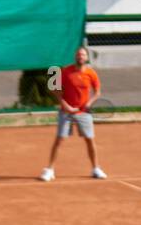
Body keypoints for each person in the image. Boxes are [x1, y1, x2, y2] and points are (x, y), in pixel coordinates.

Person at [39, 45, 107, 182]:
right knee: (59, 140)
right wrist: (65, 106)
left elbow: (98, 92)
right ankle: (49, 170)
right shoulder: (65, 71)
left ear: (86, 58)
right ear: (75, 57)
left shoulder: (91, 73)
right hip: (66, 112)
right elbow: (54, 90)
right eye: (78, 54)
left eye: (82, 55)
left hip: (84, 113)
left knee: (90, 140)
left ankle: (95, 168)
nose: (80, 57)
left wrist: (89, 103)